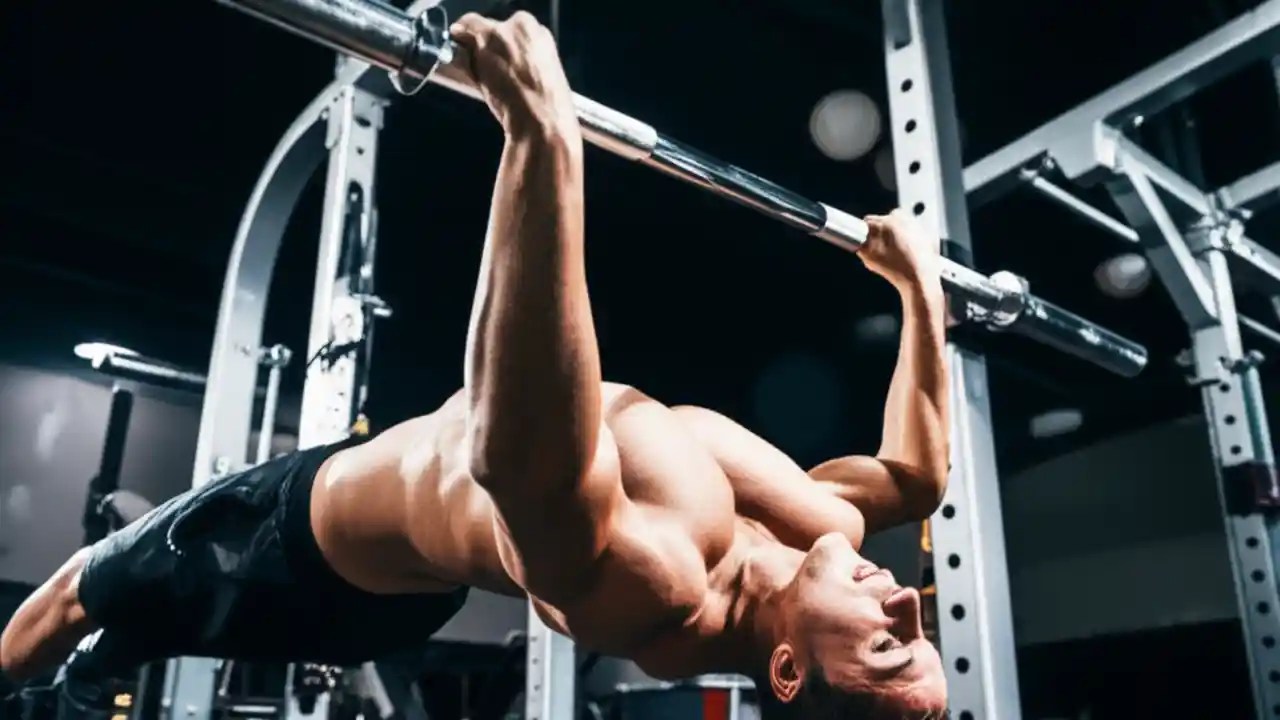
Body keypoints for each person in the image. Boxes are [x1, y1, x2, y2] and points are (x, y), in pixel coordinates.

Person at [0, 11, 950, 719]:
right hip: (399, 588)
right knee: (117, 640)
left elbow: (519, 455)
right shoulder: (819, 532)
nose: (907, 601)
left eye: (886, 645)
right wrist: (922, 294)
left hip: (292, 550)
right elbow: (915, 477)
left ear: (786, 671)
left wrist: (541, 137)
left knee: (74, 595)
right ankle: (98, 669)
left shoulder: (659, 585)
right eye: (923, 630)